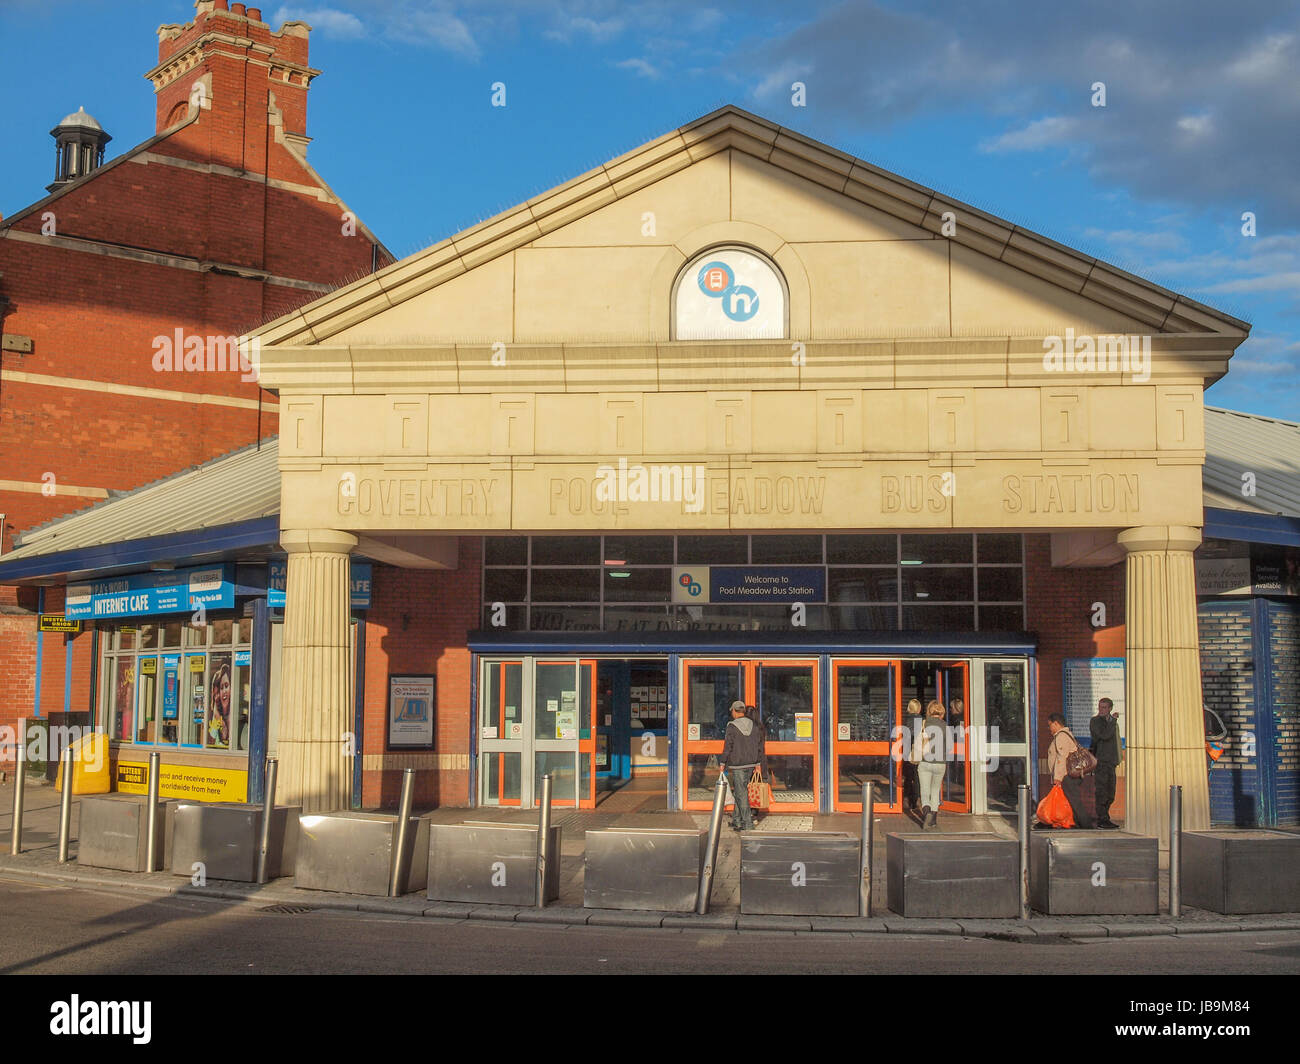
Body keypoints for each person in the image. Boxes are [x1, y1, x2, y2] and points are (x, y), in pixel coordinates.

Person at [719, 699, 764, 831]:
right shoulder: (754, 726)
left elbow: (728, 746)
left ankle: (747, 823)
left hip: (738, 764)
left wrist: (722, 762)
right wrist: (758, 763)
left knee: (740, 793)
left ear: (734, 711)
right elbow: (758, 746)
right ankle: (736, 820)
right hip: (751, 763)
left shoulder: (731, 726)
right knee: (741, 791)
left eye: (732, 711)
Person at [1047, 713, 1094, 829]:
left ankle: (1085, 824)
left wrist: (1057, 777)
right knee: (1072, 799)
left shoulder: (1061, 736)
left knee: (1074, 800)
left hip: (1067, 775)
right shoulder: (1065, 734)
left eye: (1050, 725)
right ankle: (1078, 823)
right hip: (1071, 774)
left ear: (1056, 723)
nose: (1049, 728)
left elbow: (1061, 757)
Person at [914, 700, 948, 830]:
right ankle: (933, 820)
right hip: (940, 763)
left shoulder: (924, 724)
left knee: (925, 791)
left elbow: (918, 741)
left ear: (929, 711)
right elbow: (949, 746)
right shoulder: (945, 726)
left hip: (925, 762)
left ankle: (926, 813)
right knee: (935, 791)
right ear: (942, 712)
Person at [1089, 698, 1121, 828]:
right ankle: (1102, 818)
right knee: (1102, 791)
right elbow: (1104, 735)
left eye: (1104, 707)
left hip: (1111, 761)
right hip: (1101, 761)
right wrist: (1112, 721)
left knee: (1110, 792)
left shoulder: (1112, 723)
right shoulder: (1095, 721)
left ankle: (1105, 816)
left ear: (1110, 708)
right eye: (1100, 707)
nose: (1101, 710)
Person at [901, 698, 923, 817]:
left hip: (906, 751)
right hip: (917, 751)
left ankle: (906, 799)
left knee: (908, 777)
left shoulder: (904, 720)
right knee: (917, 777)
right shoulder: (921, 720)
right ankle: (916, 801)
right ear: (918, 708)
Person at [208, 661, 232, 749]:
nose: (223, 692)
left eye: (226, 686)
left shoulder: (233, 717)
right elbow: (211, 743)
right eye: (221, 688)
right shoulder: (217, 717)